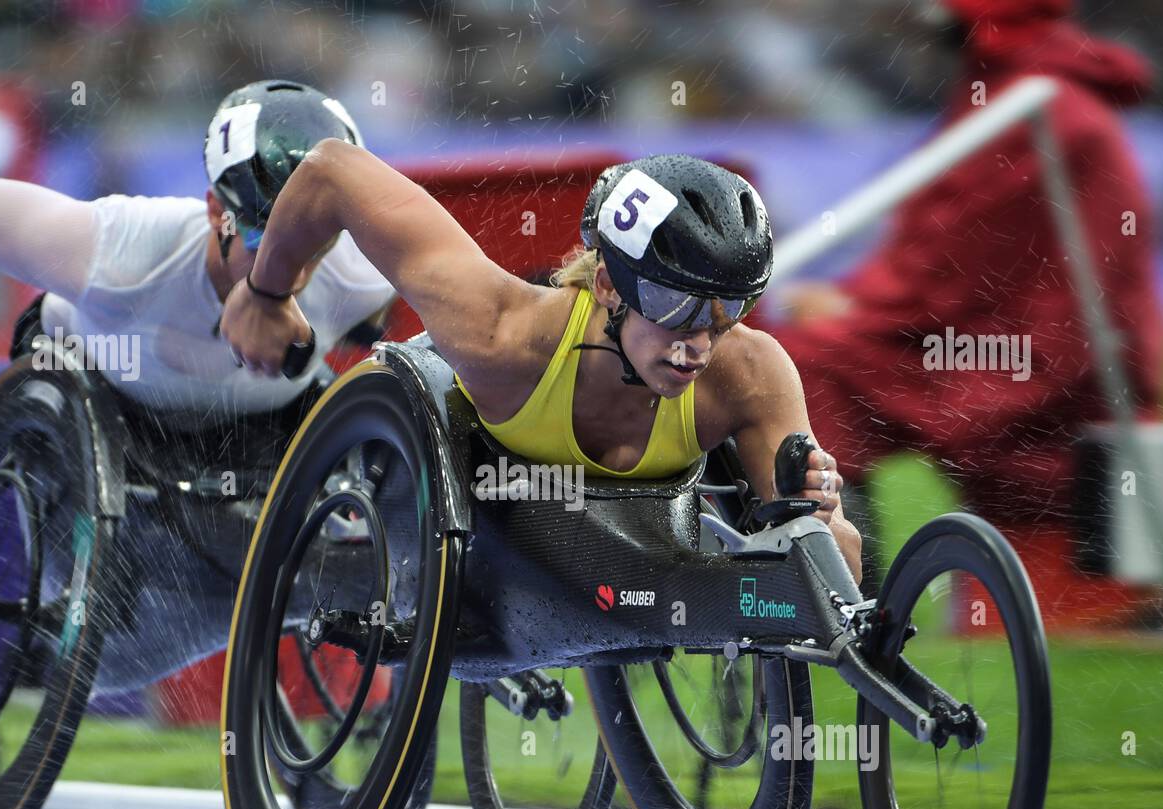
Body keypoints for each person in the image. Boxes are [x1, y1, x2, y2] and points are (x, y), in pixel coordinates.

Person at [220, 147, 863, 581]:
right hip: (462, 476)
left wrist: (819, 523)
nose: (697, 340)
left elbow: (839, 579)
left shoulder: (750, 373)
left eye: (725, 308)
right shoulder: (498, 333)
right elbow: (332, 168)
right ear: (608, 285)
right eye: (672, 303)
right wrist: (266, 291)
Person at [773, 0, 1163, 581]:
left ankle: (838, 589)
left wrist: (860, 306)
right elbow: (952, 251)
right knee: (808, 351)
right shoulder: (1026, 94)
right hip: (1029, 344)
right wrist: (864, 301)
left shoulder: (1038, 108)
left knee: (805, 365)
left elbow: (954, 263)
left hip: (1046, 365)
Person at [0, 80, 396, 418]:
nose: (294, 264)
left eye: (316, 240)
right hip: (99, 389)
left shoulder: (364, 272)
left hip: (261, 419)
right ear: (217, 210)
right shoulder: (123, 252)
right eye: (264, 234)